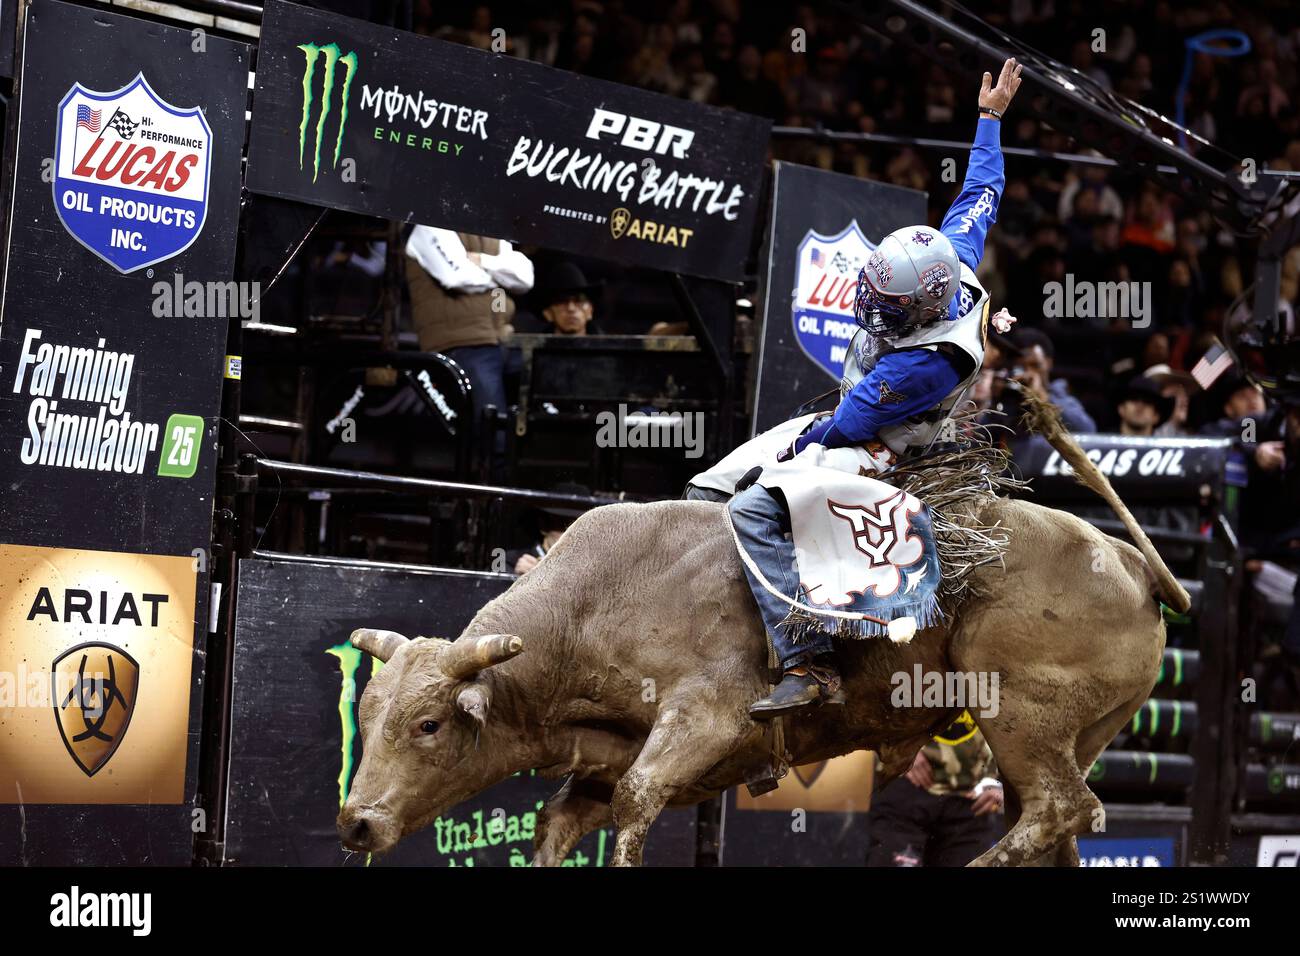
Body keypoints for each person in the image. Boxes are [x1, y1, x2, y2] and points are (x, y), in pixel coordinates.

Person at [727, 58, 1024, 719]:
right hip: (859, 414)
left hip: (883, 443)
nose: (871, 308)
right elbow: (983, 188)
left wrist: (798, 446)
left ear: (923, 309)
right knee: (722, 476)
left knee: (752, 508)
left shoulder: (929, 362)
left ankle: (807, 663)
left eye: (887, 306)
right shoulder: (954, 254)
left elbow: (848, 425)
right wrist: (990, 117)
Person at [405, 226, 535, 434]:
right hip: (462, 343)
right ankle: (492, 465)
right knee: (493, 430)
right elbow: (456, 277)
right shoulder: (429, 226)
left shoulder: (494, 234)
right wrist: (499, 277)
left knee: (544, 379)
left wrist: (483, 261)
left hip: (502, 338)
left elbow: (525, 278)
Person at [866, 715, 1003, 867]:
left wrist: (998, 779)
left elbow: (1016, 714)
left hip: (972, 800)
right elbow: (865, 704)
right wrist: (899, 747)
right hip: (906, 789)